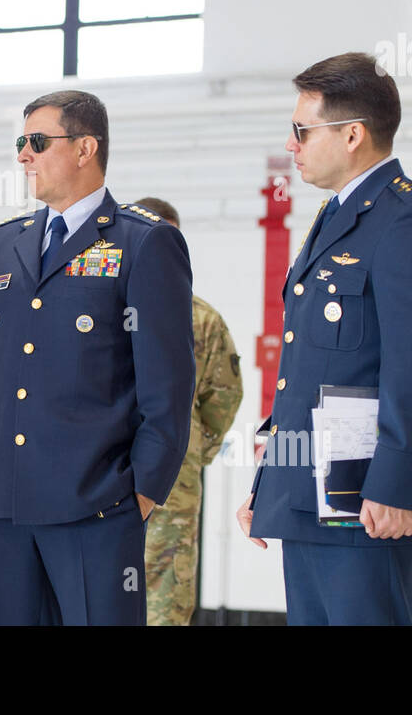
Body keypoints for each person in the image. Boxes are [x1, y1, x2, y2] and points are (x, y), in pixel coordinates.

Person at [0, 90, 195, 626]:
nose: (24, 154)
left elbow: (168, 387)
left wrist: (141, 493)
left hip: (97, 506)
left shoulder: (143, 243)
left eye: (38, 142)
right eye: (21, 142)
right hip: (9, 508)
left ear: (86, 147)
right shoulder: (4, 244)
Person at [236, 52, 412, 626]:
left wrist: (397, 486)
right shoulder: (336, 216)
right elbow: (306, 372)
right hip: (310, 494)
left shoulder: (409, 218)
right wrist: (271, 481)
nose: (292, 145)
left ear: (353, 134)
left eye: (301, 130)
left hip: (365, 500)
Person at [134, 196, 244, 626]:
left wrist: (191, 451)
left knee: (167, 596)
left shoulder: (202, 320)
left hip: (168, 489)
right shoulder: (97, 308)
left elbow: (223, 397)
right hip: (106, 481)